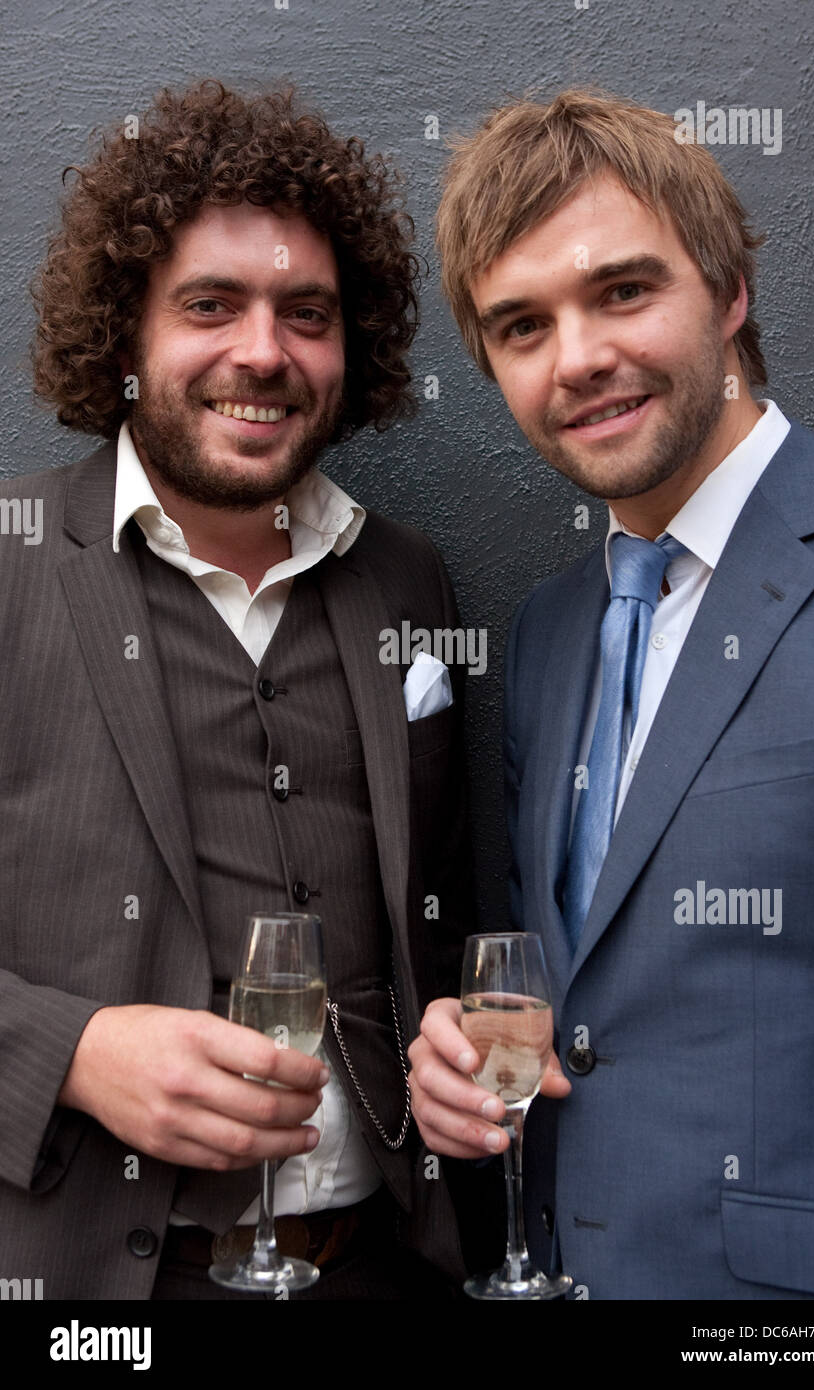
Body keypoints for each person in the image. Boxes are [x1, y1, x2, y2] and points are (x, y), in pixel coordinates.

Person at [0, 78, 475, 1300]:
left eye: (304, 312)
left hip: (382, 1267)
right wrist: (68, 1052)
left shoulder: (406, 578)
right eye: (210, 305)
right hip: (96, 1295)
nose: (262, 351)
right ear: (123, 336)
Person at [408, 89, 814, 1300]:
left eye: (620, 290)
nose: (578, 359)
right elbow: (584, 984)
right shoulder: (552, 630)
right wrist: (466, 1053)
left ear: (726, 291)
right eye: (519, 326)